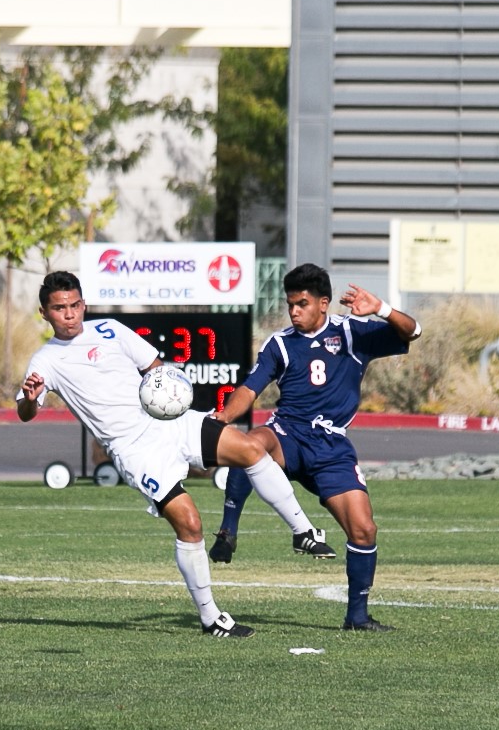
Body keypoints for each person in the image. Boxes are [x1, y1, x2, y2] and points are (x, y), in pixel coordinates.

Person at [17, 271, 332, 638]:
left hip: (170, 422)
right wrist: (29, 396)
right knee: (190, 524)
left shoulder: (111, 330)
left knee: (249, 448)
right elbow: (27, 411)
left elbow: (155, 369)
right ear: (45, 313)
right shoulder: (46, 361)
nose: (69, 314)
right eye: (59, 309)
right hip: (135, 450)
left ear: (83, 304)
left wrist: (168, 393)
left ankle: (302, 531)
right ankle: (211, 618)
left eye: (74, 305)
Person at [206, 263, 420, 633]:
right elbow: (250, 388)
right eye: (290, 304)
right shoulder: (280, 343)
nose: (294, 311)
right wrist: (223, 418)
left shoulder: (352, 333)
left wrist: (382, 309)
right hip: (288, 434)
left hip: (332, 446)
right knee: (250, 442)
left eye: (302, 304)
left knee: (364, 530)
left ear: (324, 303)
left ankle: (357, 617)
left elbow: (413, 332)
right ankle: (227, 532)